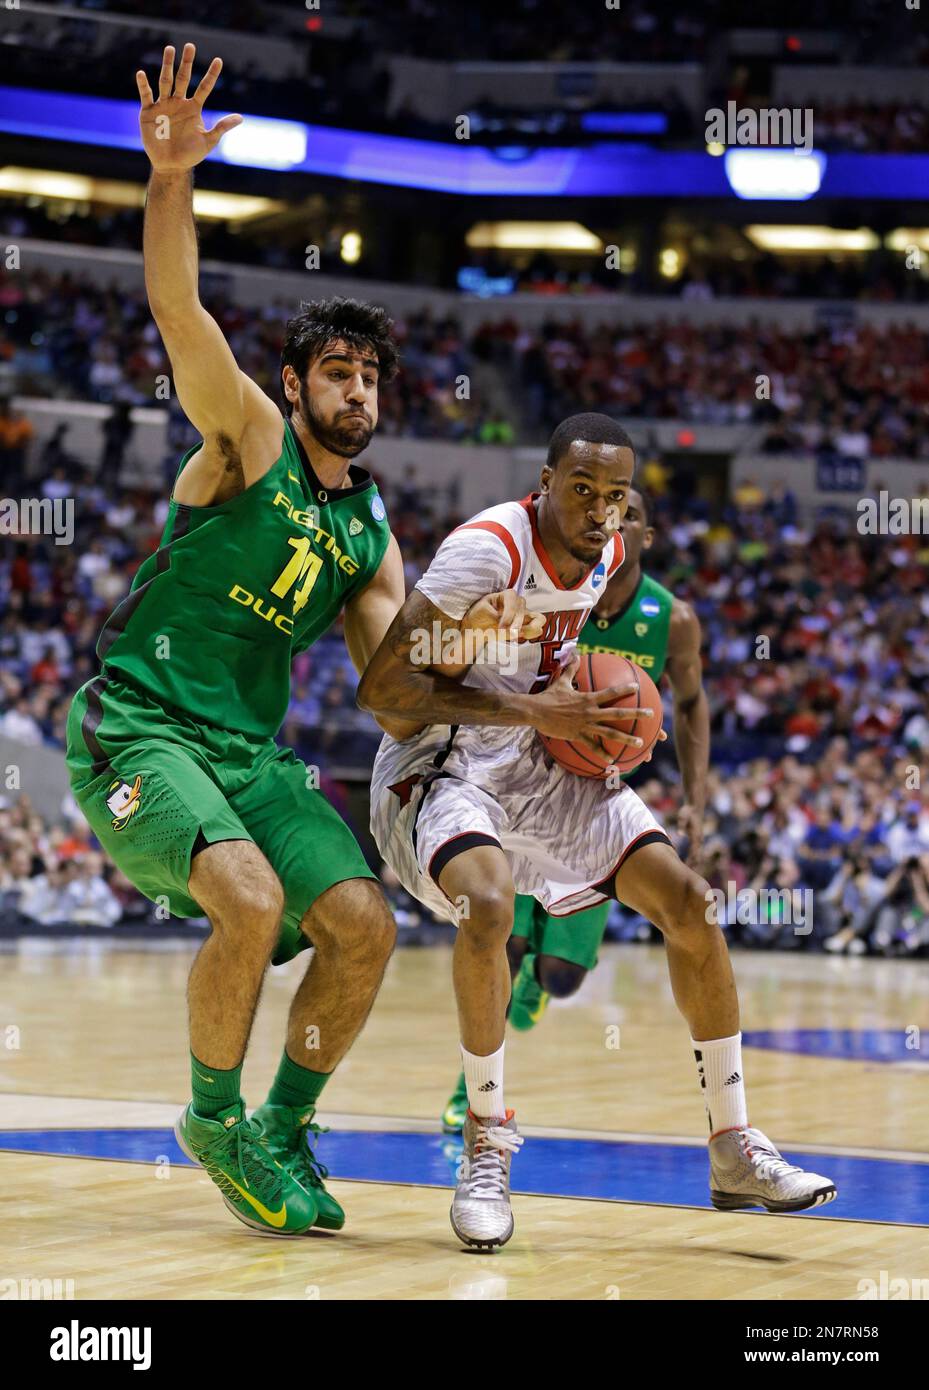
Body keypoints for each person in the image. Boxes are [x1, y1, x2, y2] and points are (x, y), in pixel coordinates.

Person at [65, 42, 415, 1238]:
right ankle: (213, 1119)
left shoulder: (370, 530)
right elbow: (177, 308)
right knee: (251, 901)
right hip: (139, 724)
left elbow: (395, 685)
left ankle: (283, 1123)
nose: (356, 389)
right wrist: (169, 175)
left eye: (370, 375)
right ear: (295, 381)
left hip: (246, 753)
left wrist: (506, 657)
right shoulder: (247, 439)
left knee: (364, 925)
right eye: (337, 369)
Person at [359, 412, 837, 1249]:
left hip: (538, 759)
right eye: (580, 490)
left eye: (614, 497)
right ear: (544, 485)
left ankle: (731, 1146)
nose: (597, 510)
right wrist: (523, 699)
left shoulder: (611, 556)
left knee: (689, 903)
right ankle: (484, 1144)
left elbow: (637, 686)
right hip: (441, 763)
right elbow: (385, 694)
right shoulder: (487, 549)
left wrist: (574, 719)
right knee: (489, 905)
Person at [439, 486, 710, 1131]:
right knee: (499, 939)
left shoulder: (671, 620)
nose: (615, 518)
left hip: (590, 802)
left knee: (560, 977)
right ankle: (470, 1095)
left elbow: (693, 703)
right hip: (520, 788)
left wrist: (697, 798)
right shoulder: (556, 590)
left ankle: (536, 987)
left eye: (633, 512)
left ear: (643, 537)